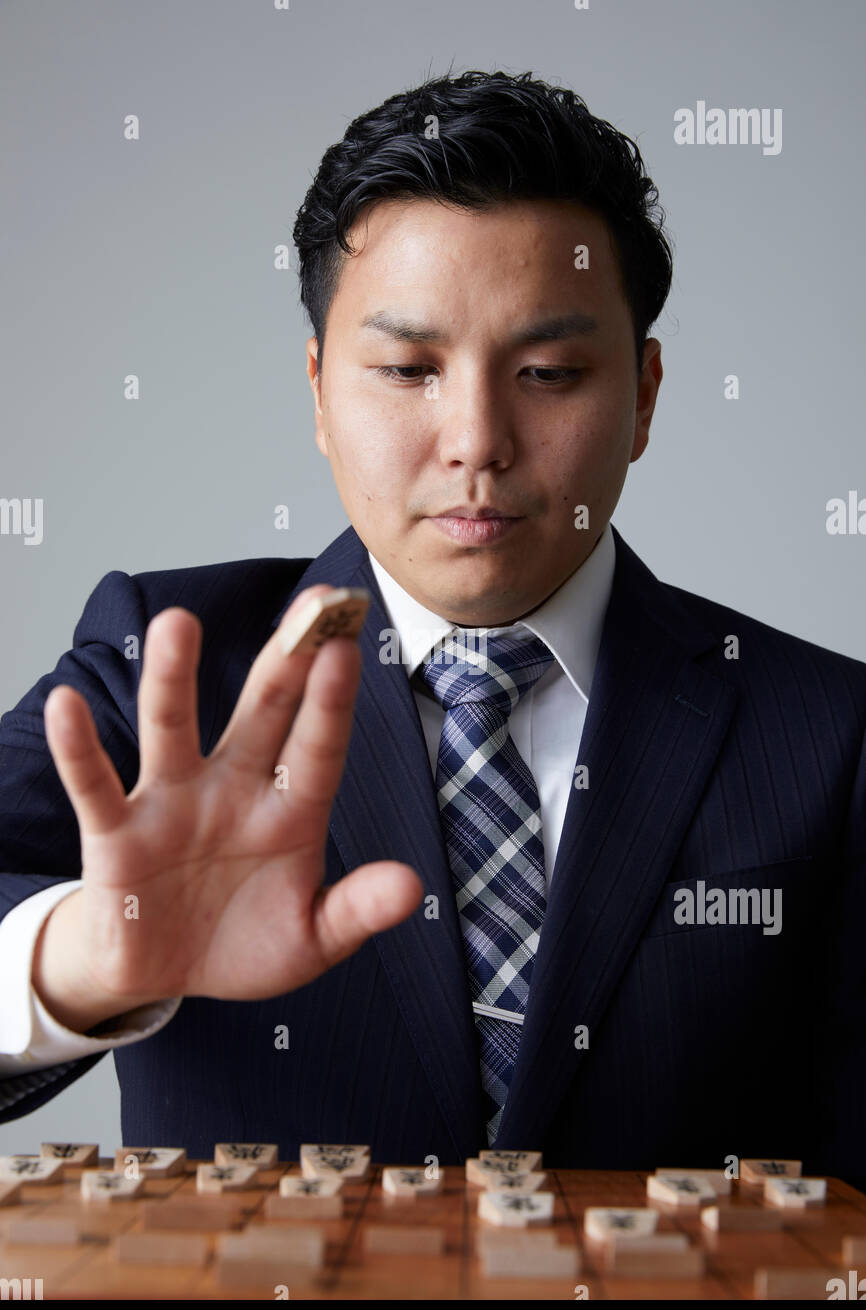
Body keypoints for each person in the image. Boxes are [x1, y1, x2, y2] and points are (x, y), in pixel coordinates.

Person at [1, 70, 863, 1188]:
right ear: (317, 390)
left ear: (644, 396)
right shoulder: (162, 657)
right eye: (407, 369)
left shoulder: (824, 733)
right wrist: (86, 954)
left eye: (548, 372)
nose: (475, 440)